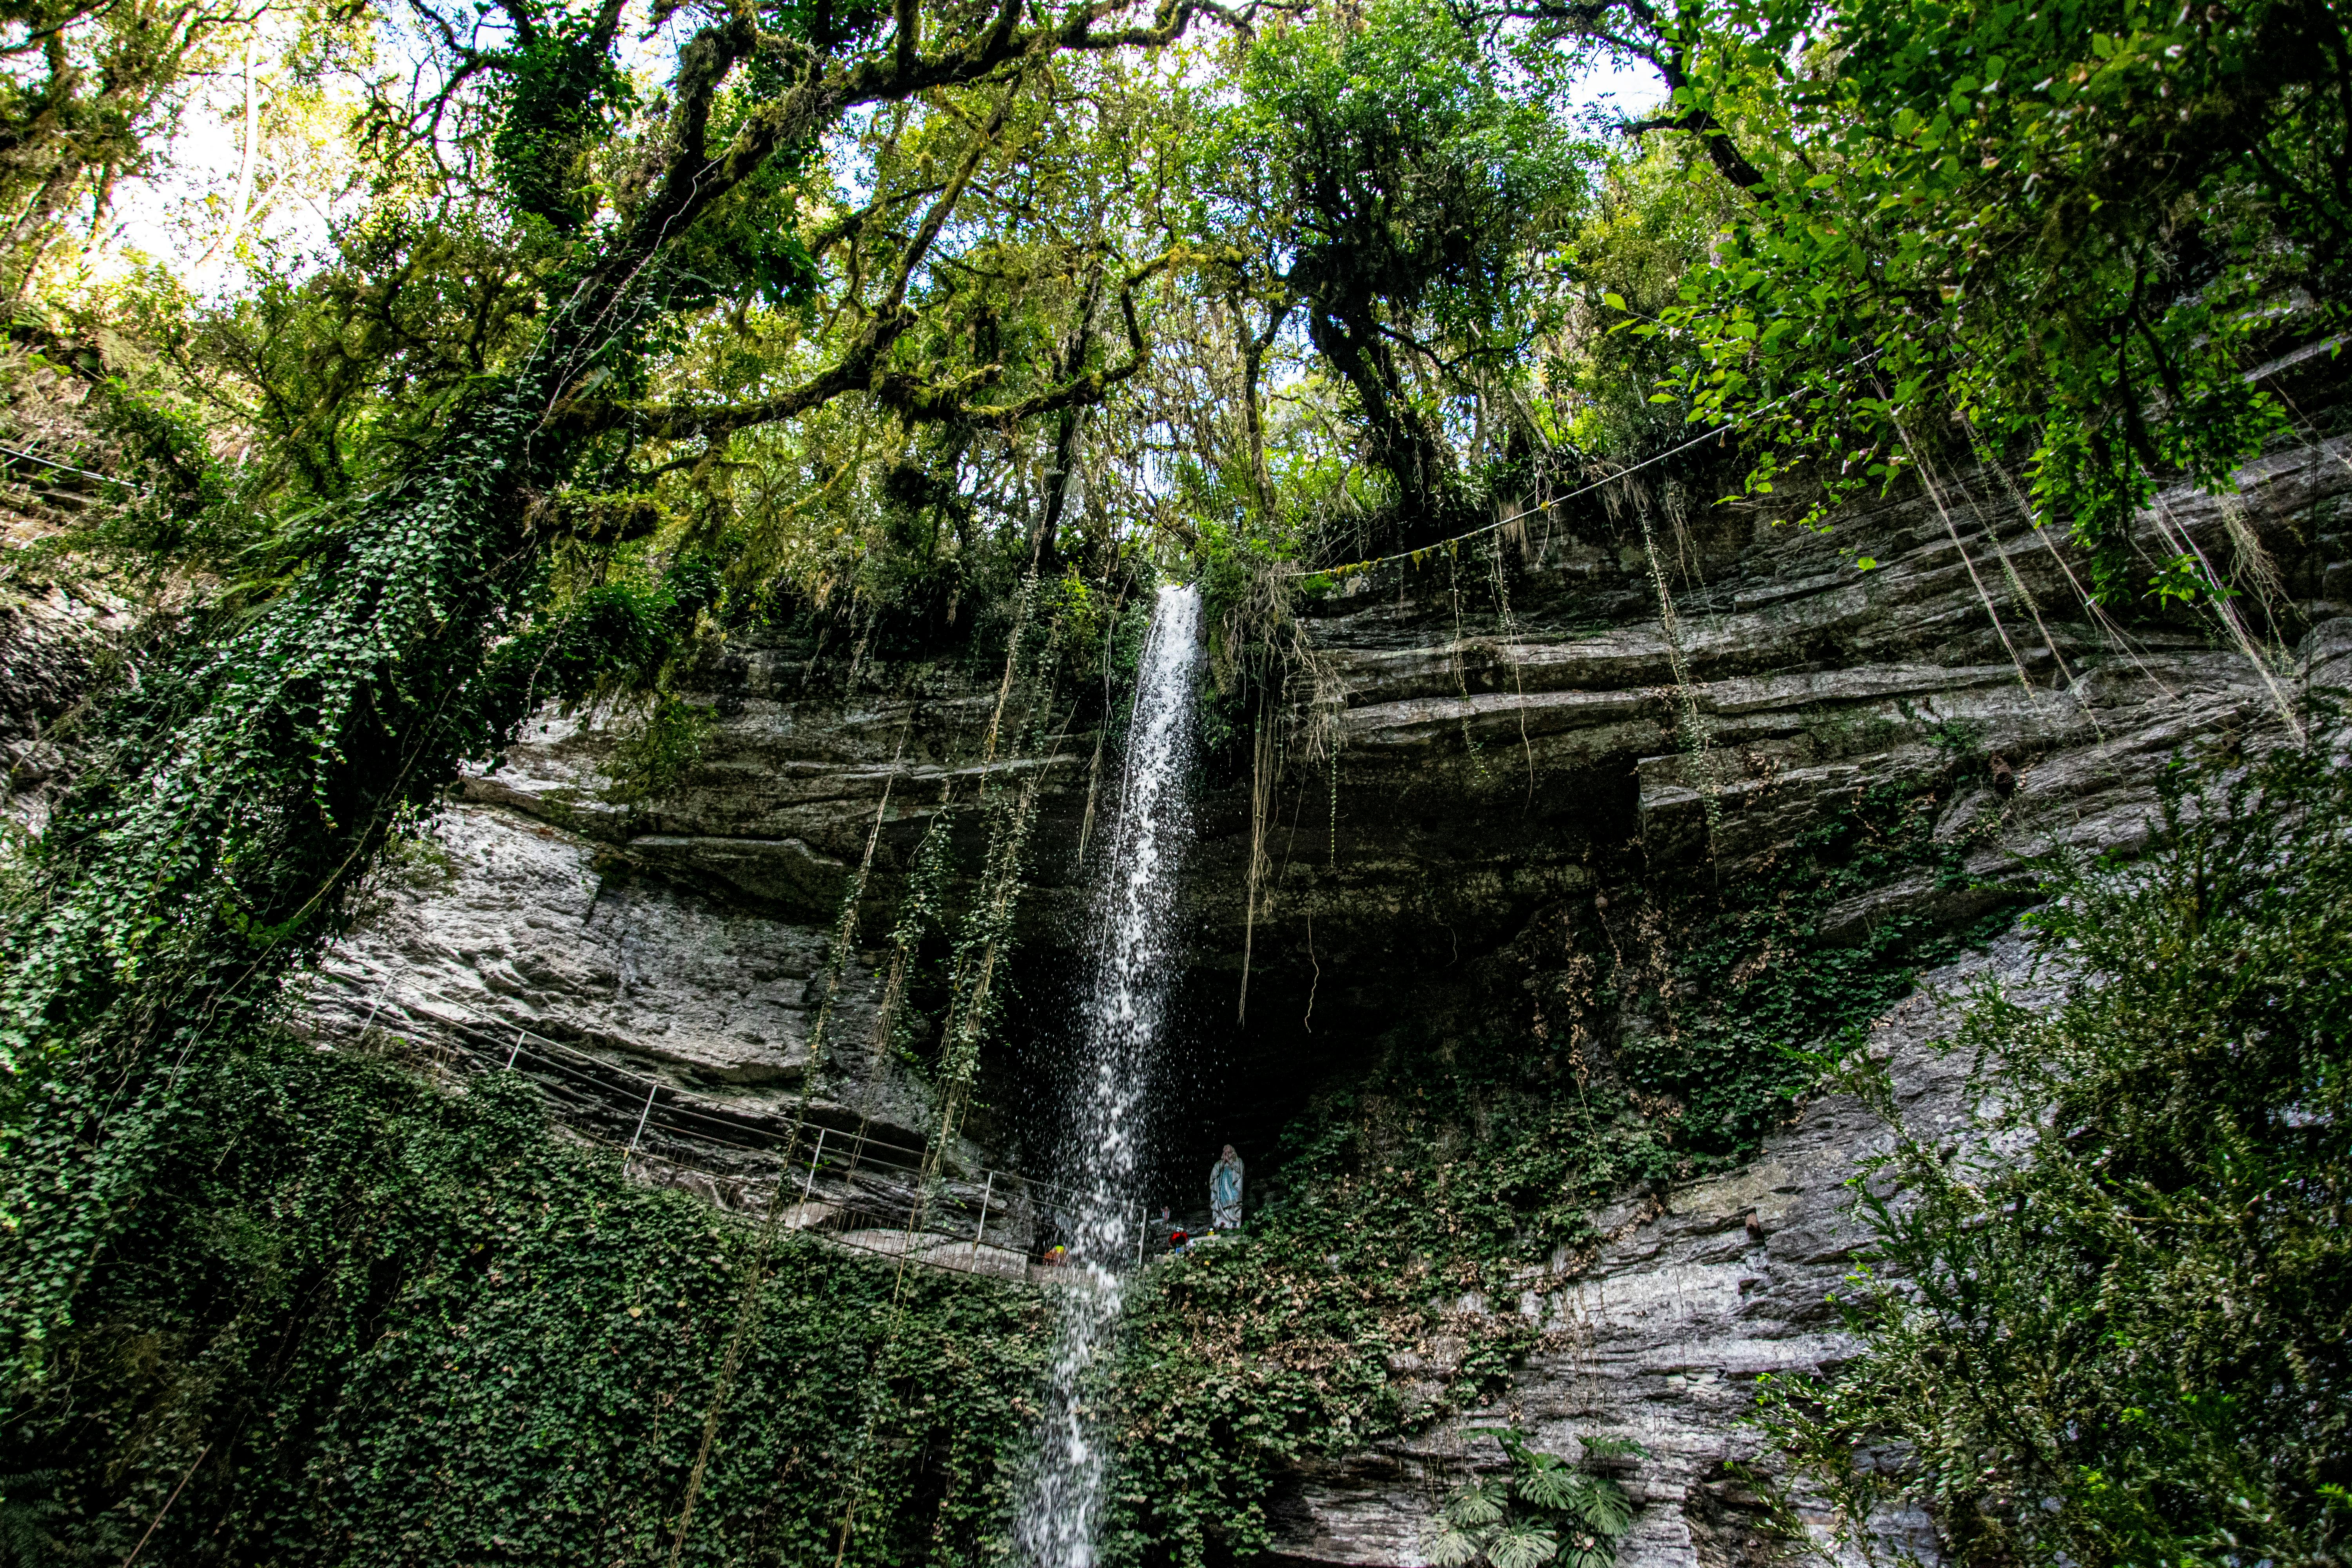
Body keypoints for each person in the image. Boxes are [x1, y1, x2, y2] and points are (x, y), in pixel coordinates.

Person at [1209, 1143, 1244, 1230]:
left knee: (1233, 1202)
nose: (1227, 1154)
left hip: (1234, 1188)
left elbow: (1240, 1171)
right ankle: (1222, 1224)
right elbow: (1214, 1175)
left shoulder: (1238, 1161)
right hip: (1222, 1188)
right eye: (1225, 1152)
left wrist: (1230, 1162)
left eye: (1229, 1152)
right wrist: (1224, 1162)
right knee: (1222, 1202)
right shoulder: (1219, 1164)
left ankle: (1234, 1223)